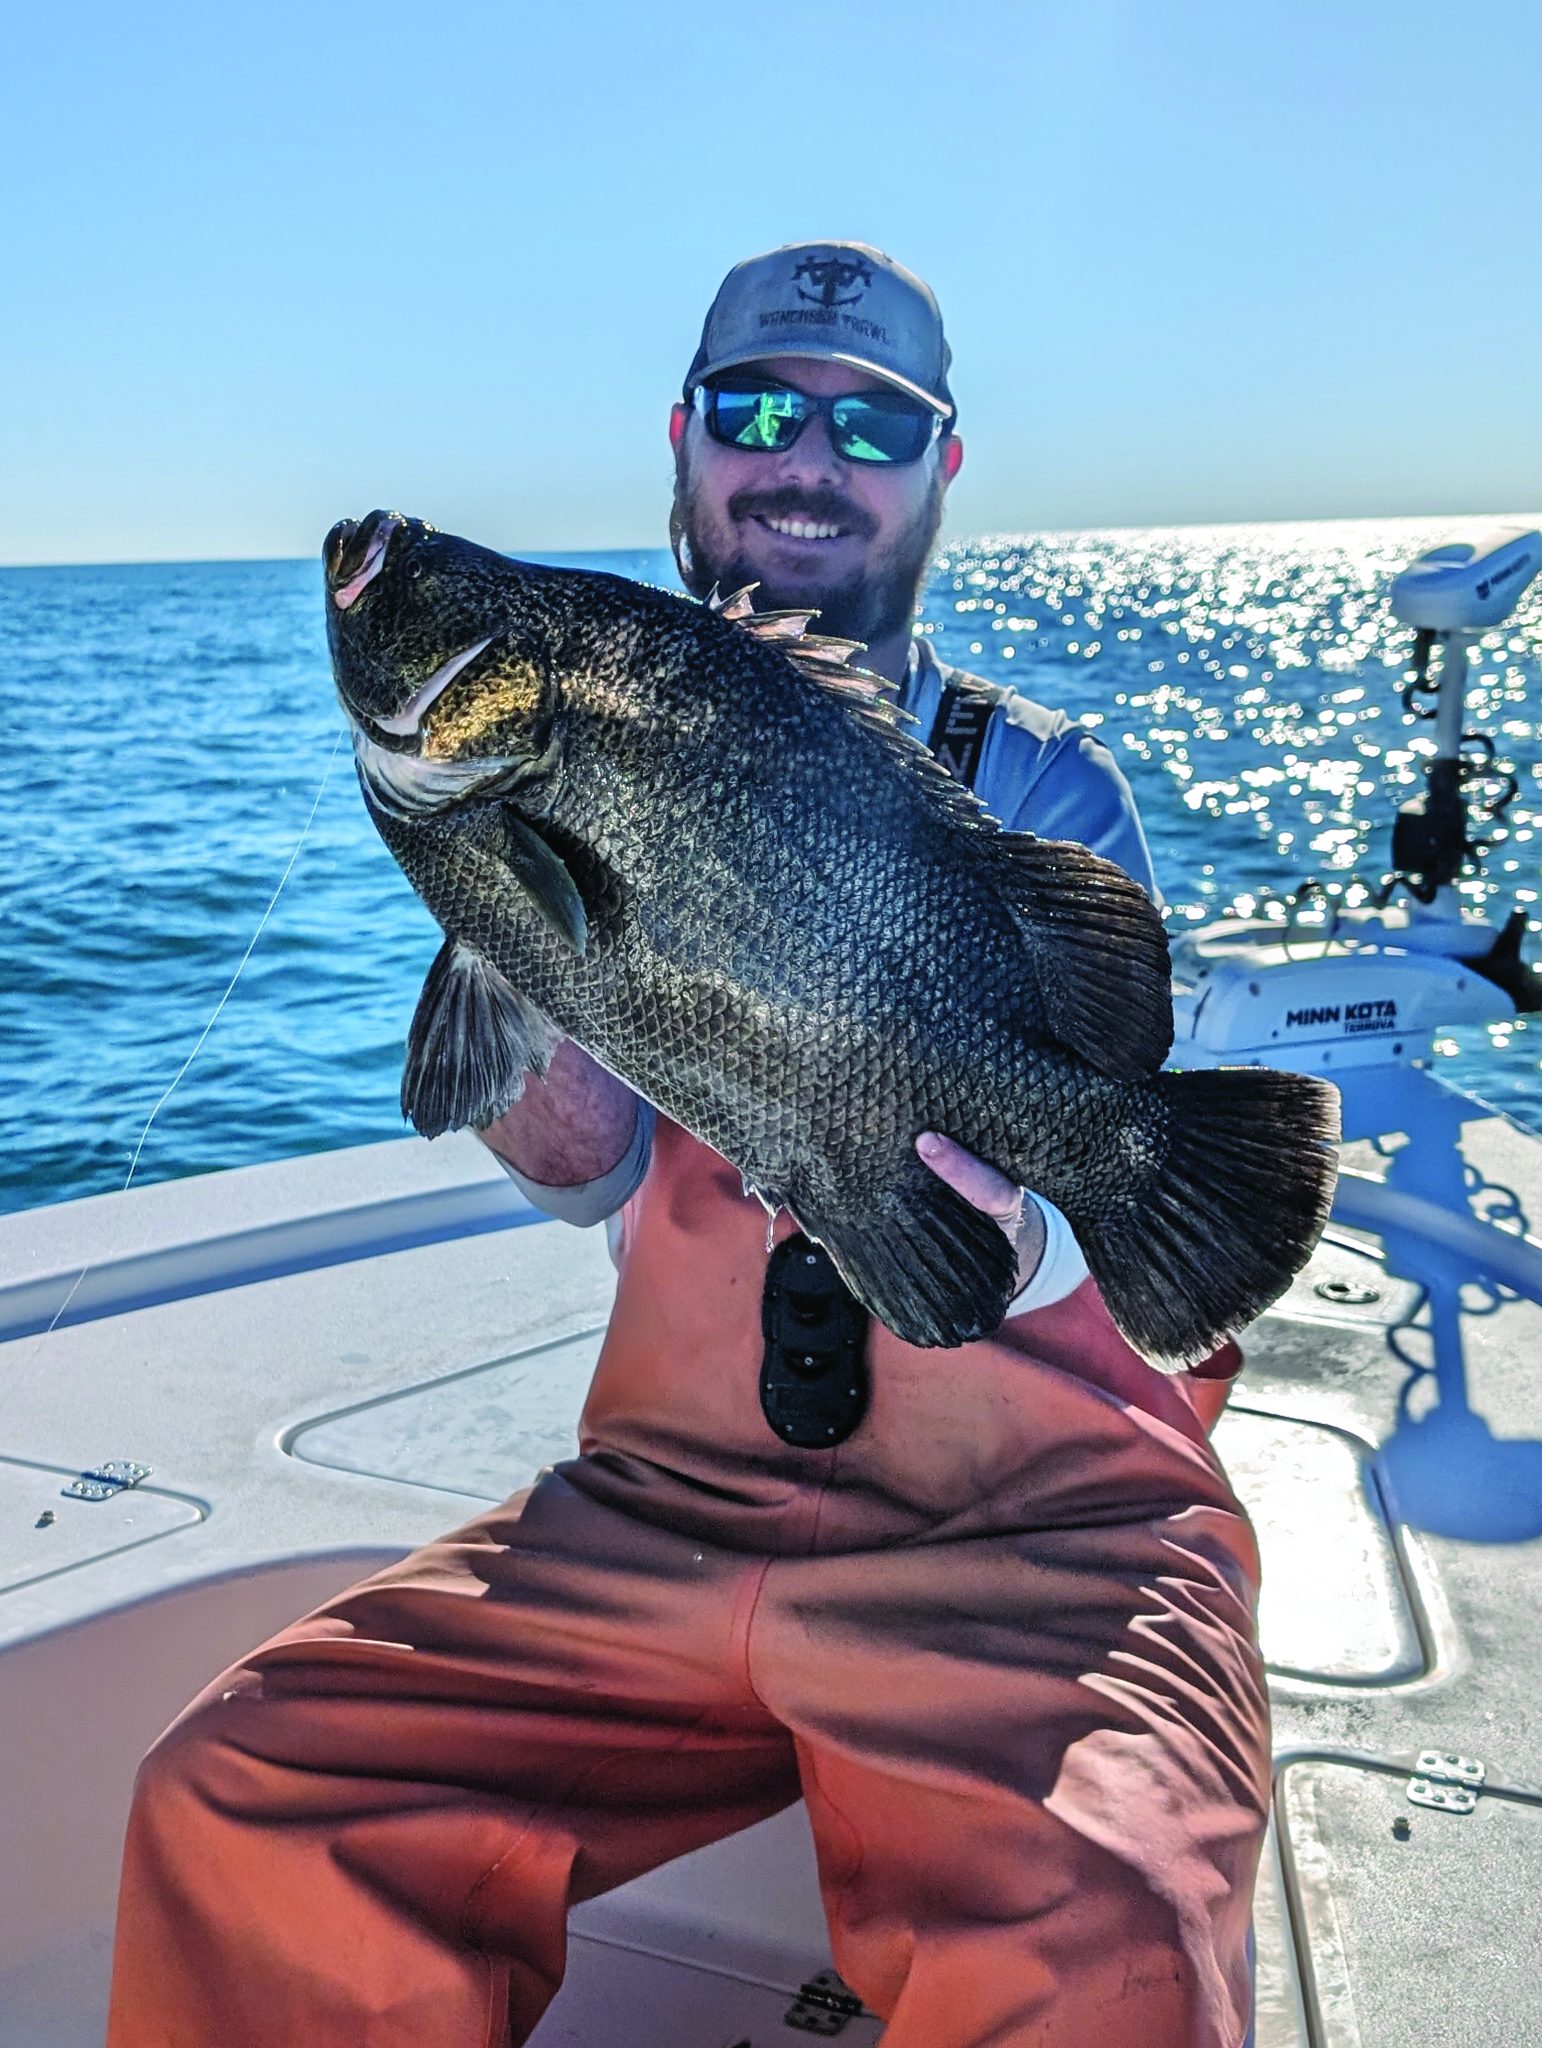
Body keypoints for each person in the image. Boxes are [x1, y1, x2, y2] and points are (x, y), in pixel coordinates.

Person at [105, 243, 1266, 2048]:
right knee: (246, 1801)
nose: (807, 458)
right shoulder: (592, 721)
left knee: (1100, 1931)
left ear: (936, 467)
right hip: (666, 1511)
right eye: (757, 409)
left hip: (1034, 1527)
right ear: (684, 442)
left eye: (869, 422)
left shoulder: (1043, 784)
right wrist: (503, 896)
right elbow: (574, 1166)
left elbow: (1098, 1216)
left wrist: (1019, 1223)